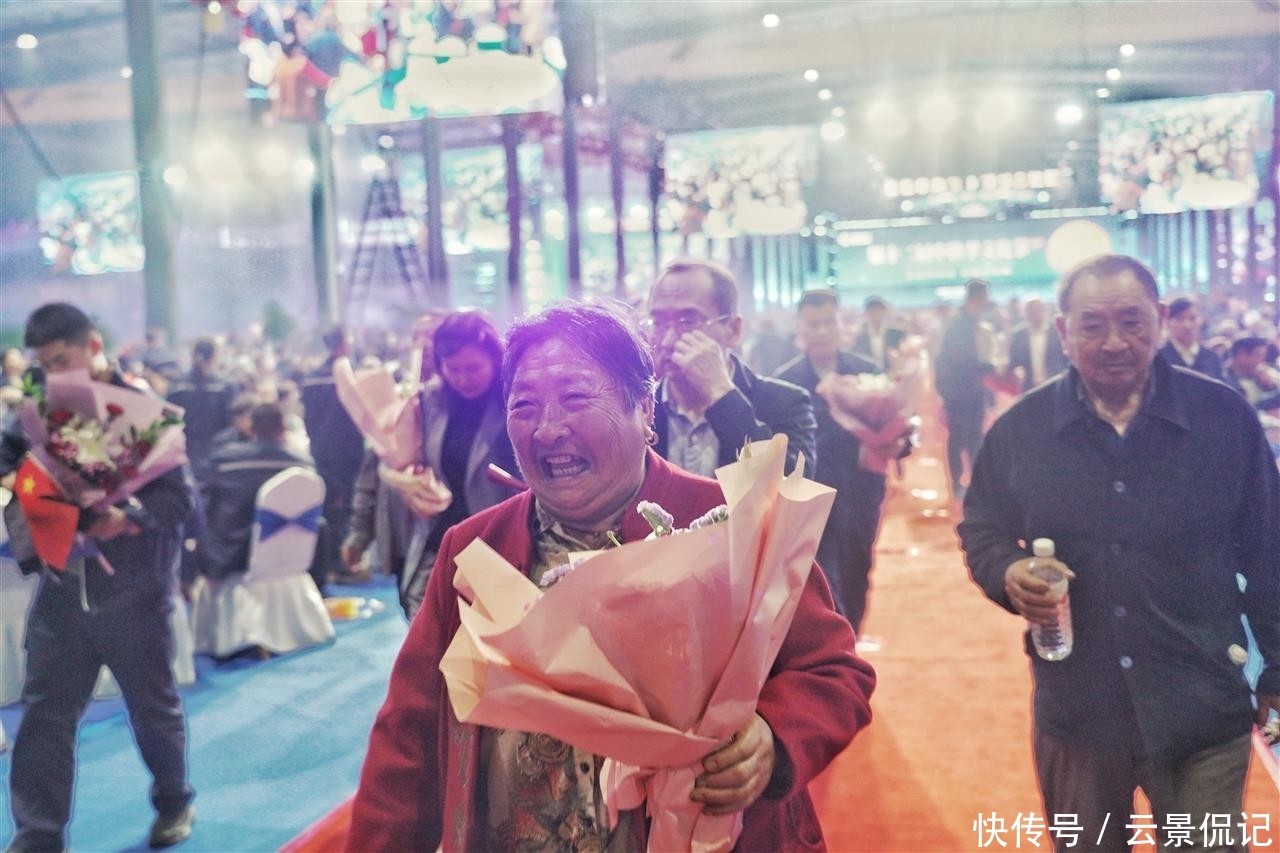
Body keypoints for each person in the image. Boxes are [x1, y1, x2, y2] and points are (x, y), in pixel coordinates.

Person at [346, 303, 874, 851]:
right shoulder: (476, 549)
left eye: (575, 399)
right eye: (524, 406)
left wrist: (773, 736)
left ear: (644, 409)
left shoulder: (729, 524)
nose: (548, 429)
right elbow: (408, 737)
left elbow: (833, 671)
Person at [957, 256, 1279, 851]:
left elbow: (1269, 550)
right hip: (1079, 708)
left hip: (1200, 704)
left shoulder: (1222, 418)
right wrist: (1008, 570)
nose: (1113, 343)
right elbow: (982, 527)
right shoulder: (1022, 430)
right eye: (1092, 326)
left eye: (1131, 322)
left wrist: (1277, 670)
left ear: (1159, 319)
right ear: (1063, 332)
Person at [0, 304, 196, 851]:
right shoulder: (37, 405)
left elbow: (180, 501)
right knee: (45, 715)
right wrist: (19, 479)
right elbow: (8, 454)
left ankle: (174, 800)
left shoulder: (145, 410)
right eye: (45, 365)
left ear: (92, 347)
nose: (54, 374)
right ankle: (38, 835)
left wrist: (127, 517)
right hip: (62, 586)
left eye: (63, 360)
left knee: (152, 708)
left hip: (134, 589)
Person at [377, 311, 519, 618]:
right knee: (428, 627)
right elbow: (394, 461)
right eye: (453, 369)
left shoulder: (515, 399)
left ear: (495, 359)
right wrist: (409, 481)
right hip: (441, 537)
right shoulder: (429, 401)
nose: (463, 379)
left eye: (473, 368)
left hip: (500, 542)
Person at [776, 290, 891, 633]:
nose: (822, 331)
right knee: (821, 576)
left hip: (861, 491)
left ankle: (852, 636)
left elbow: (888, 429)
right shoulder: (784, 381)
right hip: (810, 497)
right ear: (800, 328)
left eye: (828, 322)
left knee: (858, 569)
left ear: (840, 324)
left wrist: (896, 443)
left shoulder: (867, 371)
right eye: (814, 324)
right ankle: (837, 644)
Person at [645, 258, 816, 477]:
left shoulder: (785, 404)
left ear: (733, 330)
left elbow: (790, 488)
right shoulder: (640, 410)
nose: (668, 341)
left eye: (687, 322)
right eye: (658, 323)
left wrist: (721, 395)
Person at [201, 402, 317, 585]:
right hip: (287, 550)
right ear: (283, 428)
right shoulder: (304, 465)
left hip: (231, 552)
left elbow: (202, 502)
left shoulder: (224, 460)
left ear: (252, 428)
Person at [301, 326, 366, 582]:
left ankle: (329, 563)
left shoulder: (311, 377)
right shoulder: (350, 376)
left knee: (328, 508)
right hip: (349, 451)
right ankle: (345, 563)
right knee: (349, 507)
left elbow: (308, 416)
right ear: (344, 343)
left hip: (321, 450)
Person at [934, 278, 996, 498]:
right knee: (959, 438)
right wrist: (989, 367)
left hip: (973, 390)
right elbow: (960, 359)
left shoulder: (972, 323)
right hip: (958, 393)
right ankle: (958, 483)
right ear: (978, 297)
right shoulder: (959, 325)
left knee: (974, 437)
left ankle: (975, 482)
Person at [165, 338, 237, 483]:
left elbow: (168, 419)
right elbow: (232, 421)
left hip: (184, 449)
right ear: (215, 356)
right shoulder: (225, 385)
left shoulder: (177, 385)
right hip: (216, 450)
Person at [1007, 296, 1069, 391]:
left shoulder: (1056, 331)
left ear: (1043, 309)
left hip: (1056, 385)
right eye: (1030, 311)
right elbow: (1014, 361)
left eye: (1036, 309)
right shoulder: (1019, 335)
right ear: (1025, 313)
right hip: (1029, 387)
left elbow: (1066, 357)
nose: (1034, 314)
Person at [1158, 296, 1223, 380]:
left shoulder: (1212, 357)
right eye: (1180, 318)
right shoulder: (1159, 357)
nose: (1187, 325)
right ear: (1167, 322)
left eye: (1192, 318)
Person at [1222, 335, 1280, 411]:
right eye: (1259, 355)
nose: (1262, 360)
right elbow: (1244, 408)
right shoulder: (1223, 380)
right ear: (1241, 354)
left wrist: (1270, 386)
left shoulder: (1262, 373)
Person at [851, 296, 906, 371]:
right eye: (872, 311)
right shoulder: (860, 335)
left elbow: (903, 356)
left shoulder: (897, 334)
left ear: (884, 312)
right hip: (867, 374)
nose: (875, 315)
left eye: (878, 311)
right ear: (866, 313)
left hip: (893, 373)